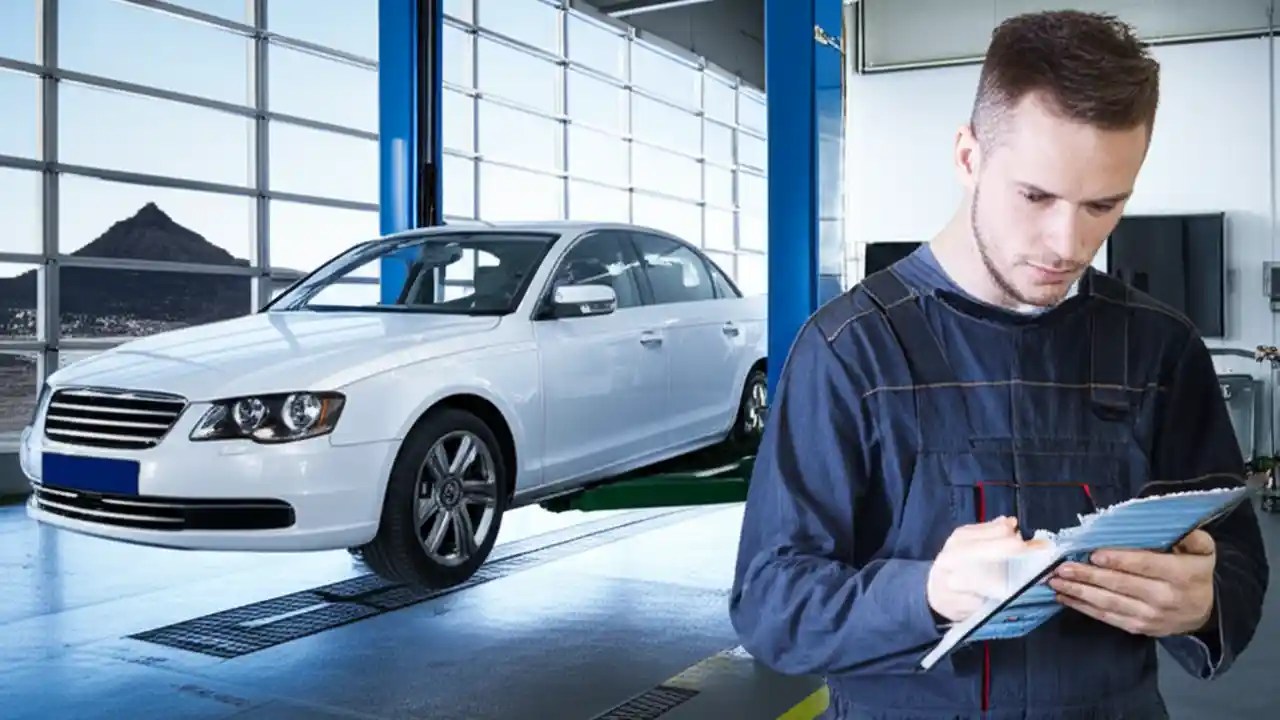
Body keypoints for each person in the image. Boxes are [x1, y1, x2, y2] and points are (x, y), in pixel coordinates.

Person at [728, 10, 1269, 720]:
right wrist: (924, 592)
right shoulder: (849, 351)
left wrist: (1204, 601)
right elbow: (773, 605)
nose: (1067, 241)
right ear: (968, 157)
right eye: (1036, 196)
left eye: (1104, 205)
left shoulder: (1159, 349)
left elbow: (1235, 559)